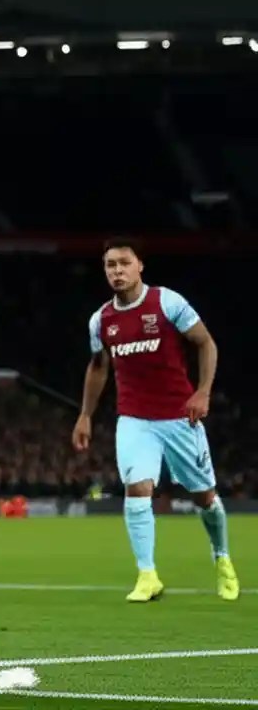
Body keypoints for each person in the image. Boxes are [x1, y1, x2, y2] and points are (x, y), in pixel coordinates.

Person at [71, 237, 237, 602]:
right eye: (110, 265)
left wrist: (204, 391)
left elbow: (206, 343)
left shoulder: (166, 302)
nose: (117, 271)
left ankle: (221, 558)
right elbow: (99, 367)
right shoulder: (101, 320)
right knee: (137, 489)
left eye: (124, 263)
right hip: (133, 419)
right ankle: (148, 575)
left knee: (204, 497)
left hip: (179, 415)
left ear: (139, 265)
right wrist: (85, 414)